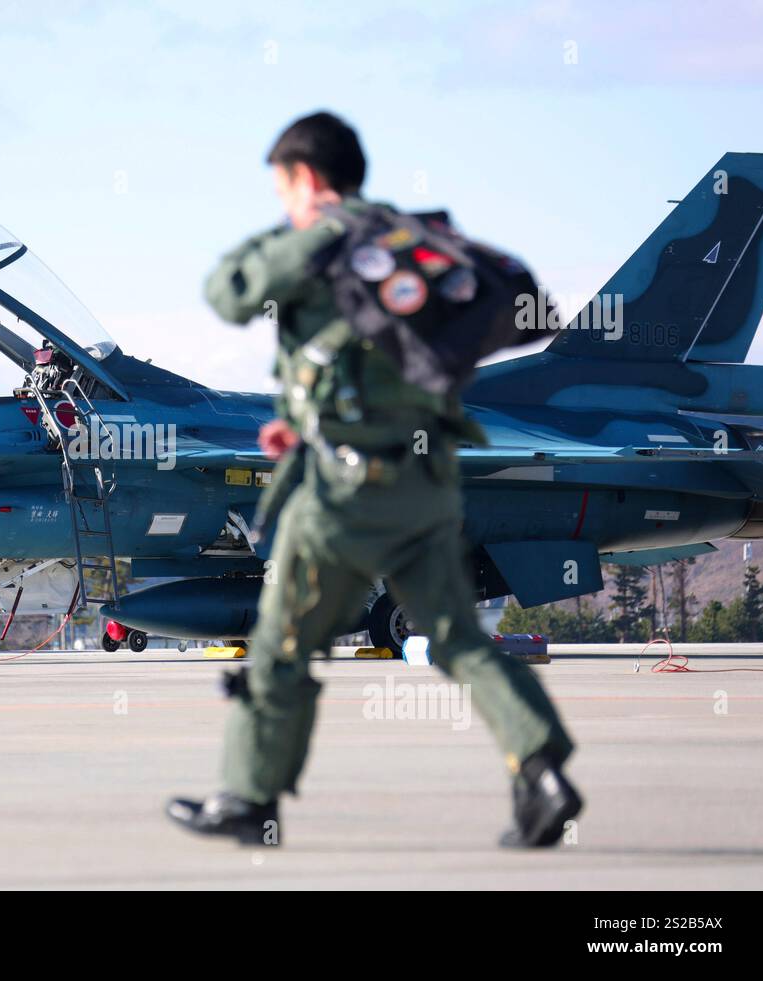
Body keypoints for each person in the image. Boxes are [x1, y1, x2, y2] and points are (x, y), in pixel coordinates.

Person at [166, 112, 581, 849]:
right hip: (425, 483)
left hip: (342, 494)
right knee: (457, 637)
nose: (282, 204)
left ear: (307, 179)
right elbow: (371, 365)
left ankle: (249, 796)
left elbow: (229, 290)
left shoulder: (322, 245)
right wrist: (302, 419)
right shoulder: (404, 246)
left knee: (281, 640)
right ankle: (543, 769)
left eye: (283, 188)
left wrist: (300, 229)